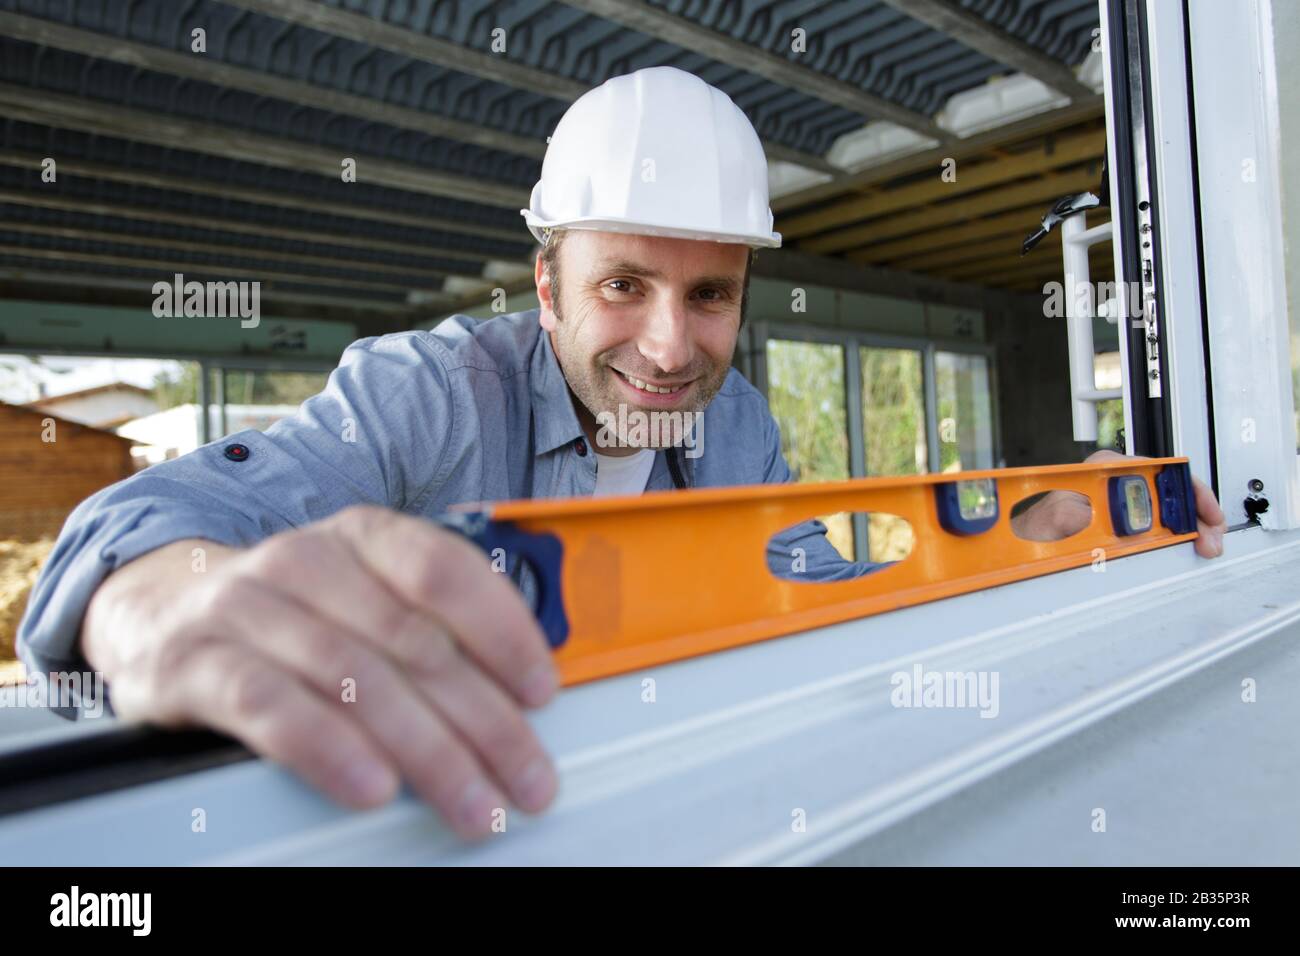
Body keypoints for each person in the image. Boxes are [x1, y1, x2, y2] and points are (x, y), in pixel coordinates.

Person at [16, 66, 1227, 841]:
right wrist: (166, 606)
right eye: (623, 284)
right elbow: (150, 520)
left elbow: (809, 596)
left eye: (709, 294)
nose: (668, 346)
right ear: (546, 286)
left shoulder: (741, 424)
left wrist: (1047, 545)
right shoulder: (433, 389)